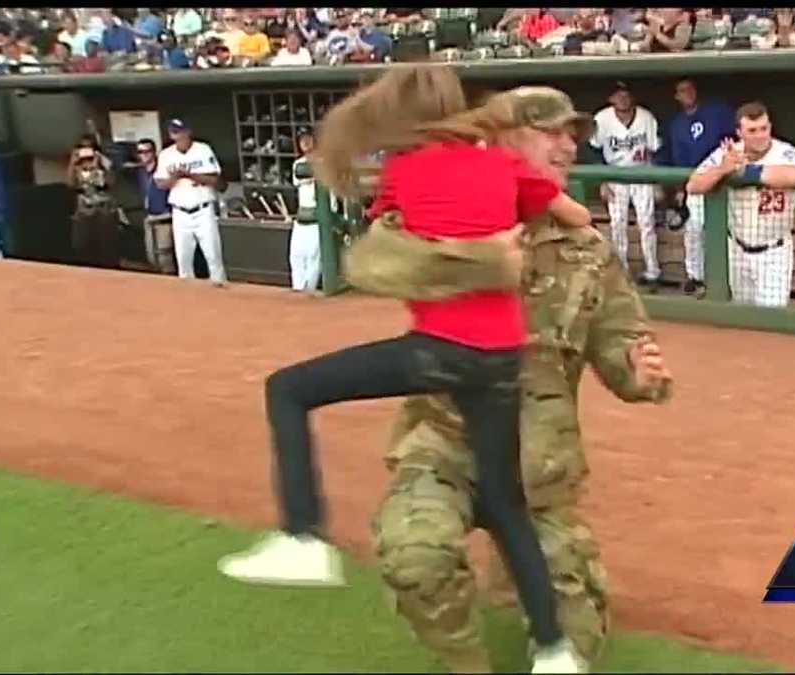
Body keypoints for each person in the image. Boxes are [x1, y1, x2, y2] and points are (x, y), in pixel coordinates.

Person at [215, 67, 592, 674]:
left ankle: (304, 538)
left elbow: (379, 245)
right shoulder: (504, 166)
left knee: (287, 389)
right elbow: (573, 215)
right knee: (504, 503)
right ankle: (553, 649)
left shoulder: (404, 172)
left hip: (440, 351)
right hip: (501, 360)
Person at [344, 85, 673, 674]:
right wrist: (476, 253)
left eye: (572, 133)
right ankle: (466, 662)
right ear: (498, 139)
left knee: (575, 635)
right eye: (550, 131)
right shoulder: (444, 215)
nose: (567, 144)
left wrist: (637, 370)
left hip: (536, 472)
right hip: (447, 447)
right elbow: (372, 262)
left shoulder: (587, 251)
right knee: (415, 558)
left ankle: (526, 583)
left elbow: (620, 340)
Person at [686, 101, 795, 307]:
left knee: (771, 319)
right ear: (739, 132)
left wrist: (745, 172)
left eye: (764, 128)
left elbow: (793, 176)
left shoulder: (785, 152)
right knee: (741, 316)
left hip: (773, 252)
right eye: (752, 130)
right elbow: (693, 185)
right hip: (737, 249)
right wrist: (723, 170)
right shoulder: (729, 153)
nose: (760, 135)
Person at [590, 81, 662, 292]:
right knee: (617, 224)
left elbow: (657, 149)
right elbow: (593, 150)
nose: (622, 98)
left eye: (626, 94)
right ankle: (621, 271)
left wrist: (657, 180)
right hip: (614, 174)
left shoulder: (646, 117)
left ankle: (653, 271)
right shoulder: (602, 119)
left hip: (642, 172)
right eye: (618, 95)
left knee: (646, 223)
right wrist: (602, 179)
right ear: (610, 99)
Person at [665, 77, 735, 296]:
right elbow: (678, 159)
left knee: (728, 231)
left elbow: (734, 138)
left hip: (724, 182)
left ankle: (728, 278)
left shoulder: (717, 112)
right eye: (682, 91)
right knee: (694, 231)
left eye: (690, 89)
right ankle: (695, 277)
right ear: (676, 97)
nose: (687, 94)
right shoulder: (677, 124)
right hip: (696, 183)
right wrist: (680, 189)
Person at [153, 119, 227, 286]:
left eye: (180, 131)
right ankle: (188, 301)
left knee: (214, 257)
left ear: (188, 132)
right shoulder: (166, 155)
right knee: (183, 260)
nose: (177, 135)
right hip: (180, 213)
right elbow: (160, 184)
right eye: (174, 132)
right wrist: (175, 177)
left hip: (203, 210)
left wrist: (189, 175)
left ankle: (221, 292)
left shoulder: (202, 150)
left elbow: (216, 179)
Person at [67, 144, 120, 269]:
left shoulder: (103, 165)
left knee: (107, 246)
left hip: (104, 211)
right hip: (84, 212)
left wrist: (98, 165)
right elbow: (71, 184)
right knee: (83, 246)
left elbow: (111, 182)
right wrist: (72, 163)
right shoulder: (77, 168)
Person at [135, 138, 175, 274]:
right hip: (149, 216)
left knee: (165, 256)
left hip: (164, 216)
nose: (144, 154)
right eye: (140, 152)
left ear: (154, 152)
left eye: (147, 151)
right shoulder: (140, 171)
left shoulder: (162, 169)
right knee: (151, 255)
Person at [288, 129, 320, 293]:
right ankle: (298, 290)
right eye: (302, 140)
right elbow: (300, 178)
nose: (305, 143)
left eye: (308, 139)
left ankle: (309, 291)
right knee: (296, 255)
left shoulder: (325, 161)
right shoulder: (298, 164)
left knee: (314, 258)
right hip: (302, 214)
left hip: (319, 215)